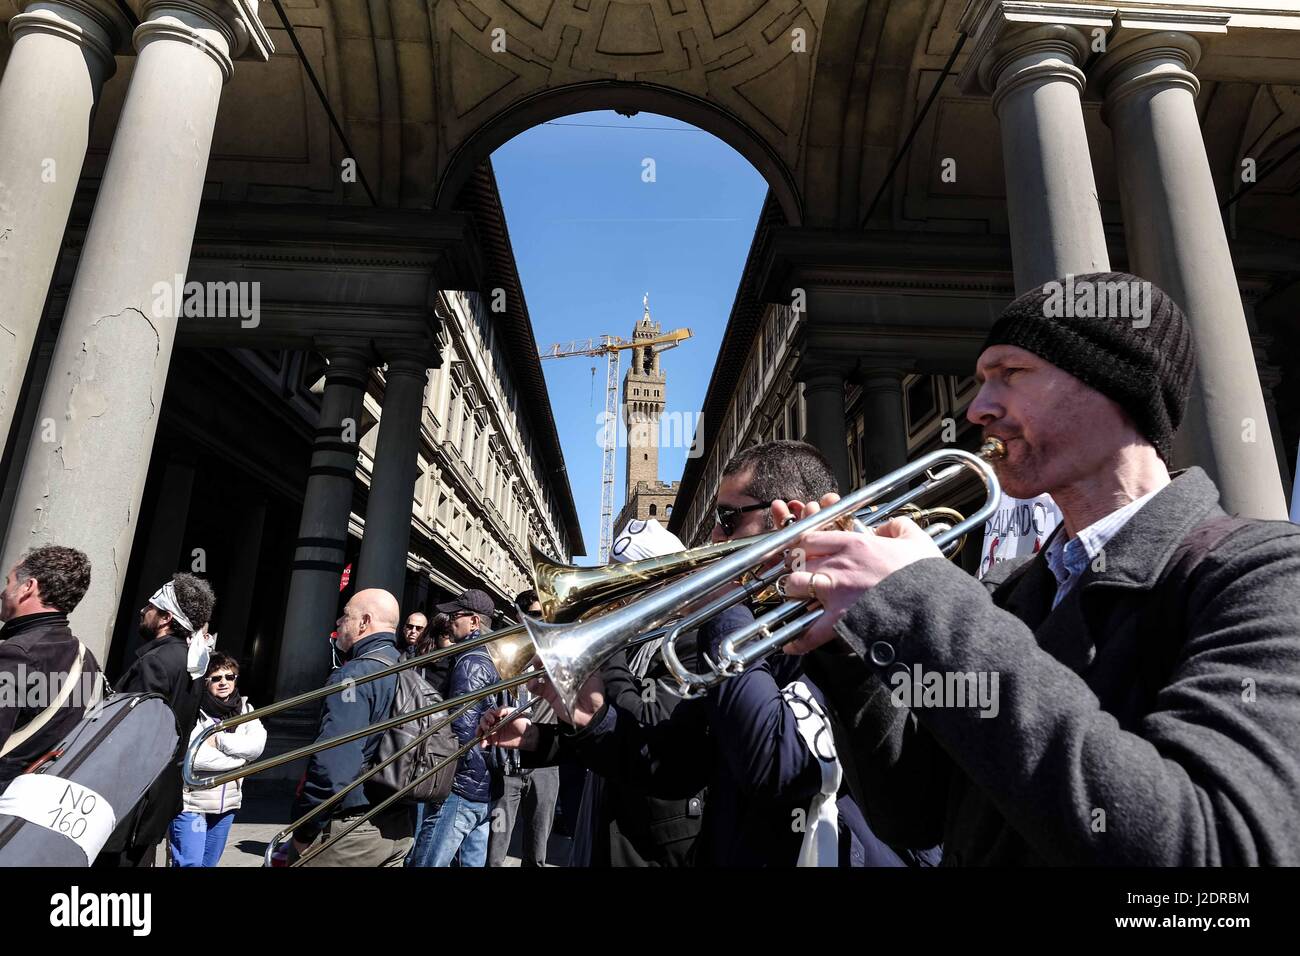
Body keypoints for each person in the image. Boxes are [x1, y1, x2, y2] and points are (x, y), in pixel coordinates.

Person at [778, 272, 1300, 865]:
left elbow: (1215, 852)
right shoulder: (1015, 591)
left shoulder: (1262, 572)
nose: (978, 408)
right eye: (980, 382)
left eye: (1013, 374)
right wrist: (854, 644)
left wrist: (922, 600)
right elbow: (914, 815)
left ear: (1116, 385)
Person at [486, 444, 925, 867]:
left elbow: (773, 764)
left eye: (727, 519)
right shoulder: (753, 621)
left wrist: (725, 598)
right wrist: (592, 721)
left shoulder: (847, 621)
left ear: (784, 518)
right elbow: (676, 765)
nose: (713, 535)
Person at [96, 573, 216, 867]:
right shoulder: (190, 662)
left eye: (150, 606)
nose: (142, 610)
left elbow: (131, 736)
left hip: (130, 802)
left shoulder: (157, 662)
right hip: (156, 800)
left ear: (165, 618)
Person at [289, 588, 412, 866]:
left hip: (350, 831)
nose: (338, 622)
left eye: (346, 615)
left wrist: (305, 830)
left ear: (364, 622)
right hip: (396, 826)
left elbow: (333, 769)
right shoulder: (407, 667)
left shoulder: (353, 675)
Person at [407, 588, 500, 867]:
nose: (449, 621)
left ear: (474, 621)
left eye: (455, 616)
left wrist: (447, 780)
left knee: (428, 861)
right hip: (483, 784)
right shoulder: (493, 654)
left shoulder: (471, 660)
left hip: (461, 786)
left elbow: (461, 726)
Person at [0, 546, 102, 789]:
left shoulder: (18, 654)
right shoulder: (87, 660)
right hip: (34, 805)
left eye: (9, 581)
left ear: (28, 587)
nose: (3, 592)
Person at [486, 589, 560, 867]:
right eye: (534, 615)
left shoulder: (557, 653)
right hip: (508, 765)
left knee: (537, 851)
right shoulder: (504, 651)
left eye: (545, 615)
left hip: (544, 765)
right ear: (519, 615)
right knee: (495, 850)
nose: (541, 621)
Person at [170, 652, 266, 866]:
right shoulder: (194, 710)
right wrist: (241, 760)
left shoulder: (246, 709)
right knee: (191, 863)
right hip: (192, 803)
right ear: (206, 682)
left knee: (209, 863)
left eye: (229, 677)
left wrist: (220, 740)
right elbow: (195, 758)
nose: (224, 682)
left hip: (228, 803)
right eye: (216, 678)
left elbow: (256, 747)